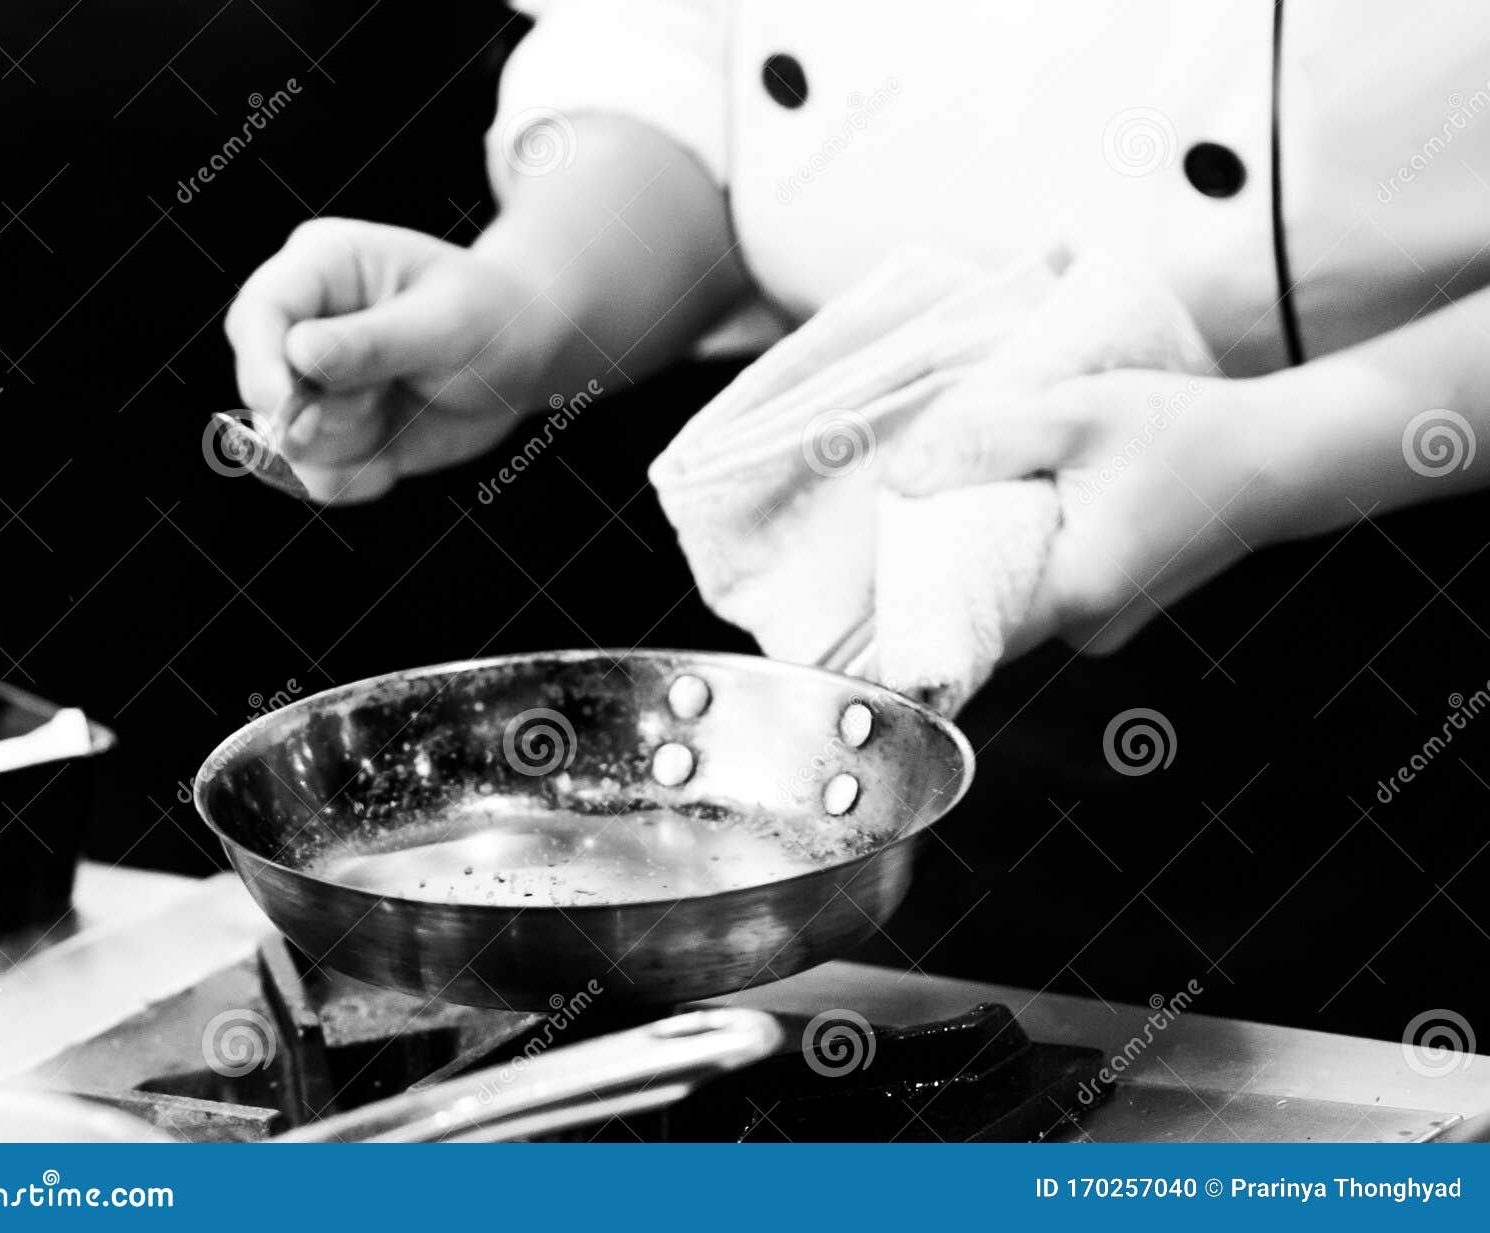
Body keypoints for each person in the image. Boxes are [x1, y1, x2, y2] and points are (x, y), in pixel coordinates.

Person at [226, 1, 1490, 1040]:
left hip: (1418, 643)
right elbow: (687, 58)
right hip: (900, 617)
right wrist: (532, 295)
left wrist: (1280, 450)